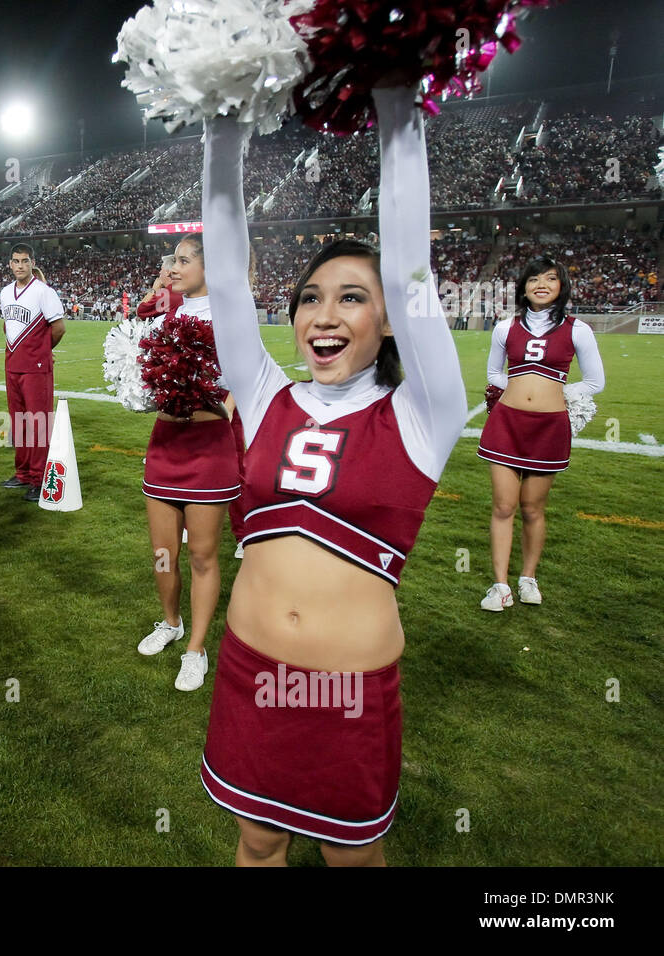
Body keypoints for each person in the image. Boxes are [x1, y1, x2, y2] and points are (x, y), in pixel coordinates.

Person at [200, 83, 468, 865]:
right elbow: (223, 282)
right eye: (310, 297)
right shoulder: (264, 396)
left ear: (388, 319)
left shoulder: (422, 416)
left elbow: (411, 264)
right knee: (255, 847)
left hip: (348, 693)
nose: (325, 314)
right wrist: (222, 130)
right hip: (250, 672)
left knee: (351, 859)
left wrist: (397, 104)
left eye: (354, 298)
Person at [137, 236, 244, 692]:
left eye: (183, 260)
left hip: (208, 446)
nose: (173, 267)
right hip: (165, 443)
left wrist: (225, 408)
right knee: (164, 553)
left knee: (202, 555)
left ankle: (196, 649)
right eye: (172, 260)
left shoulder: (231, 311)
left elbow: (245, 378)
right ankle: (171, 623)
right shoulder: (170, 311)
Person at [476, 257, 605, 611]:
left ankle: (528, 578)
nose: (541, 284)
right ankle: (499, 585)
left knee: (533, 508)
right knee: (504, 506)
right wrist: (519, 390)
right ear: (524, 287)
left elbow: (596, 381)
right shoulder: (505, 327)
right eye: (534, 278)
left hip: (549, 427)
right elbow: (494, 373)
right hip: (507, 424)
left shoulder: (578, 329)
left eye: (550, 278)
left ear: (561, 285)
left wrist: (558, 396)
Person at [0, 243, 66, 502]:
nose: (19, 266)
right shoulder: (5, 293)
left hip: (36, 367)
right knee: (20, 423)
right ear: (10, 264)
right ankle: (23, 473)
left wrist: (42, 351)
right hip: (12, 364)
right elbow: (8, 327)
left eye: (24, 261)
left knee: (38, 423)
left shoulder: (44, 292)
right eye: (15, 261)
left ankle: (40, 479)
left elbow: (59, 328)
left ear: (32, 263)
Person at [137, 254, 182, 320]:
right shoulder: (184, 288)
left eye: (161, 269)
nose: (160, 272)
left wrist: (153, 290)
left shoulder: (167, 293)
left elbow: (140, 312)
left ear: (168, 272)